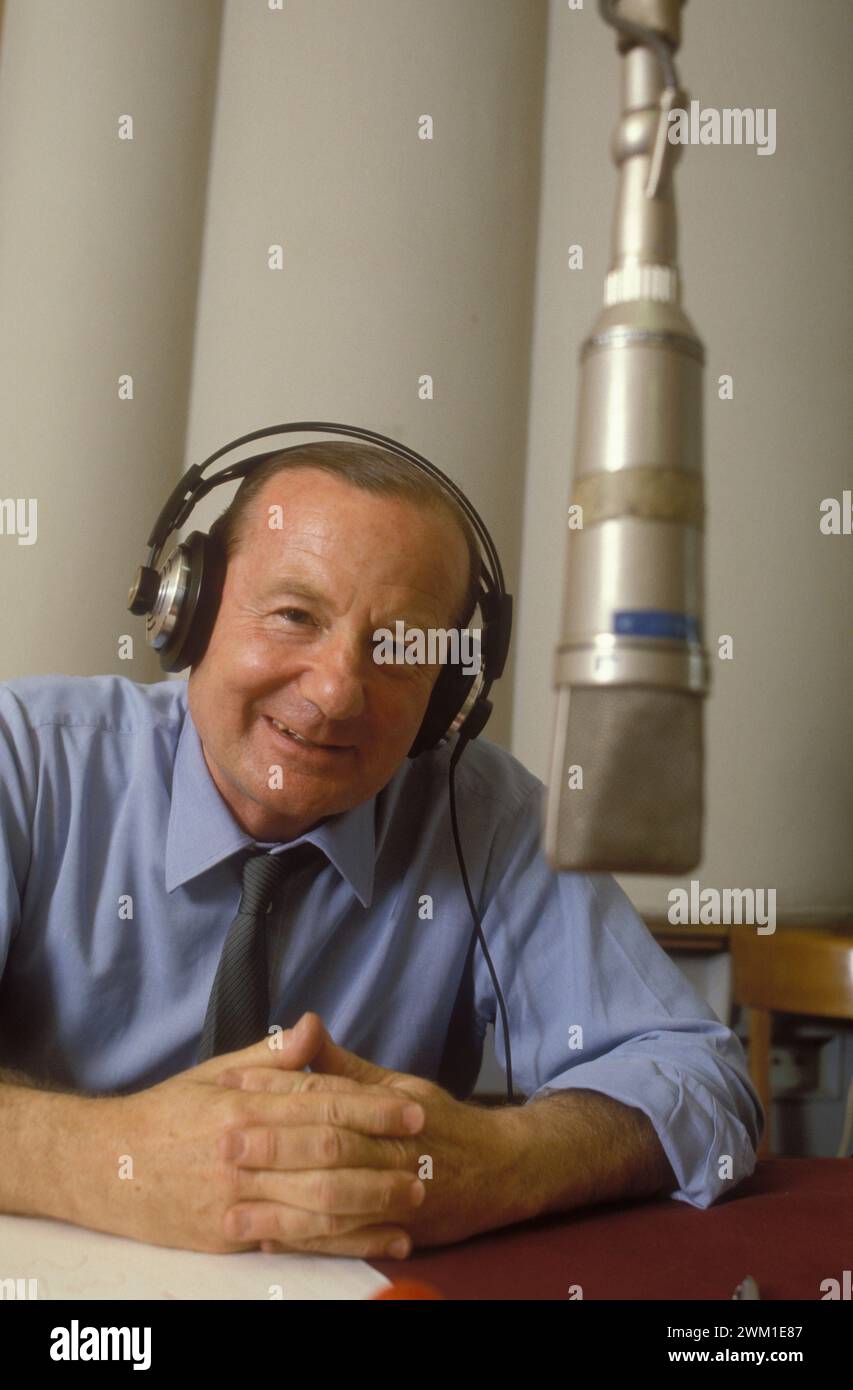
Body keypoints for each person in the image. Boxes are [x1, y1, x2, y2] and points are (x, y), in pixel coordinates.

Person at [0, 442, 762, 1262]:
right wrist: (109, 1161)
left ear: (445, 695)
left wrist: (504, 1161)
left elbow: (699, 1078)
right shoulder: (28, 759)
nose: (334, 692)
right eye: (295, 615)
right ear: (188, 607)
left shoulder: (484, 815)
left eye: (399, 648)